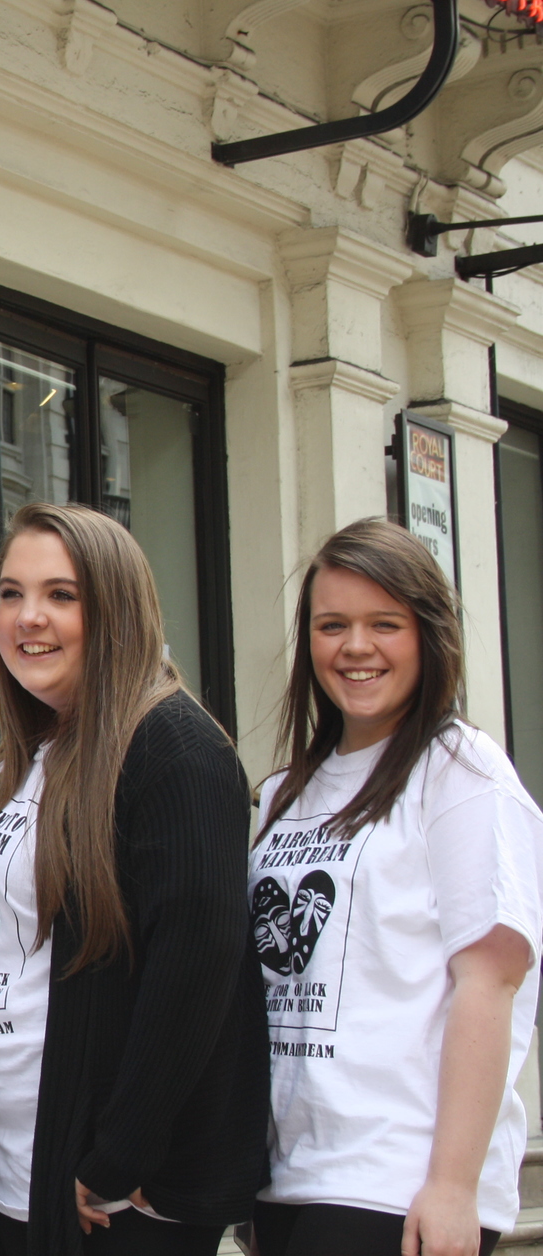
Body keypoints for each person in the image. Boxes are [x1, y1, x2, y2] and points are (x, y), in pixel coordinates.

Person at [0, 502, 266, 1256]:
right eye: (11, 594)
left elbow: (195, 966)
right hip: (13, 1172)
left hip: (106, 1198)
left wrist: (119, 1156)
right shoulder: (20, 763)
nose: (29, 617)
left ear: (117, 608)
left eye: (62, 595)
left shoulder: (173, 749)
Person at [250, 518, 543, 1256]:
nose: (356, 646)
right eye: (332, 625)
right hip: (293, 1176)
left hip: (398, 1181)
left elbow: (491, 983)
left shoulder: (461, 772)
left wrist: (453, 1186)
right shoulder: (285, 793)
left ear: (429, 636)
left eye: (385, 624)